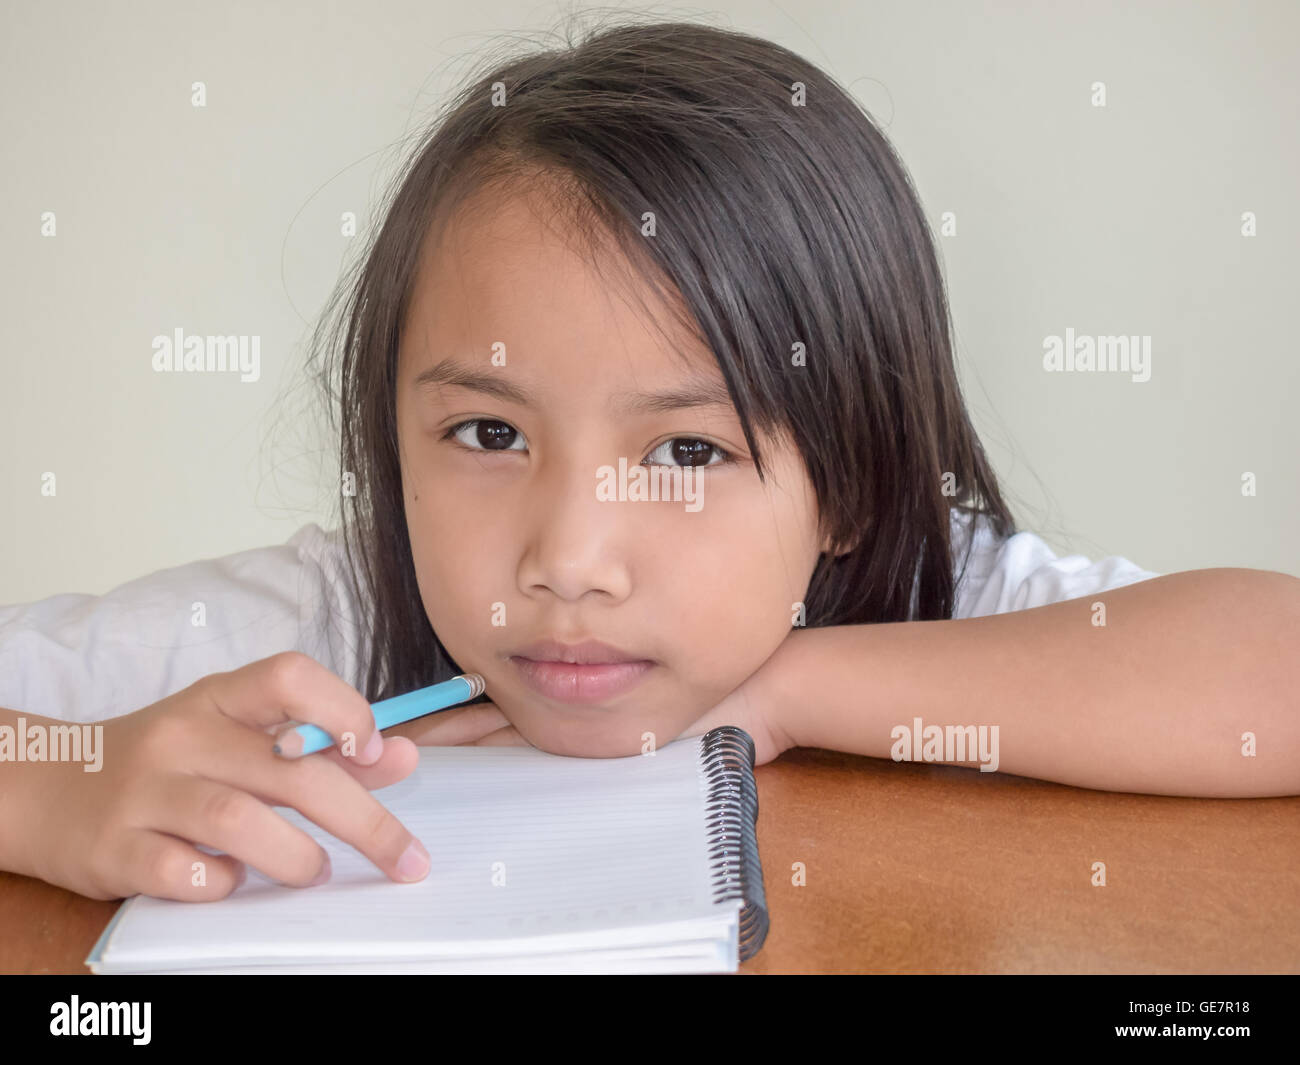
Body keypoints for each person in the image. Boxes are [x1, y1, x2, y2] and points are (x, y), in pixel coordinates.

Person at [1, 21, 1294, 905]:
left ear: (842, 480)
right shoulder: (319, 637)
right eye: (489, 434)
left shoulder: (943, 602)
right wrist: (53, 793)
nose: (567, 558)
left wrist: (791, 687)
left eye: (684, 448)